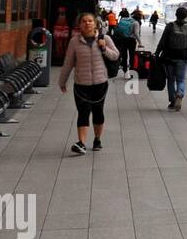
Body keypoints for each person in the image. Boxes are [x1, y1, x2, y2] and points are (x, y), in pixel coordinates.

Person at [58, 11, 119, 154]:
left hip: (100, 82)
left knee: (98, 112)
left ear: (95, 24)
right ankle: (81, 143)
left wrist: (104, 48)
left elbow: (115, 55)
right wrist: (62, 81)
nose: (87, 23)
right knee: (83, 112)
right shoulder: (74, 41)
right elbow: (68, 63)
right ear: (79, 25)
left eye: (90, 21)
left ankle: (97, 139)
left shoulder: (106, 38)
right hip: (81, 84)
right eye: (84, 21)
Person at [155, 6, 187, 111]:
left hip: (169, 57)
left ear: (176, 14)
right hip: (183, 57)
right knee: (181, 79)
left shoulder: (170, 26)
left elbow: (163, 41)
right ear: (186, 15)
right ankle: (179, 94)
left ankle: (172, 101)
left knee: (171, 80)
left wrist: (157, 52)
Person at [113, 8, 136, 75]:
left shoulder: (120, 22)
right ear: (128, 15)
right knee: (132, 55)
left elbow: (116, 31)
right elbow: (136, 32)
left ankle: (125, 70)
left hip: (123, 40)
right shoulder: (132, 21)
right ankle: (132, 70)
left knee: (124, 55)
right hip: (132, 40)